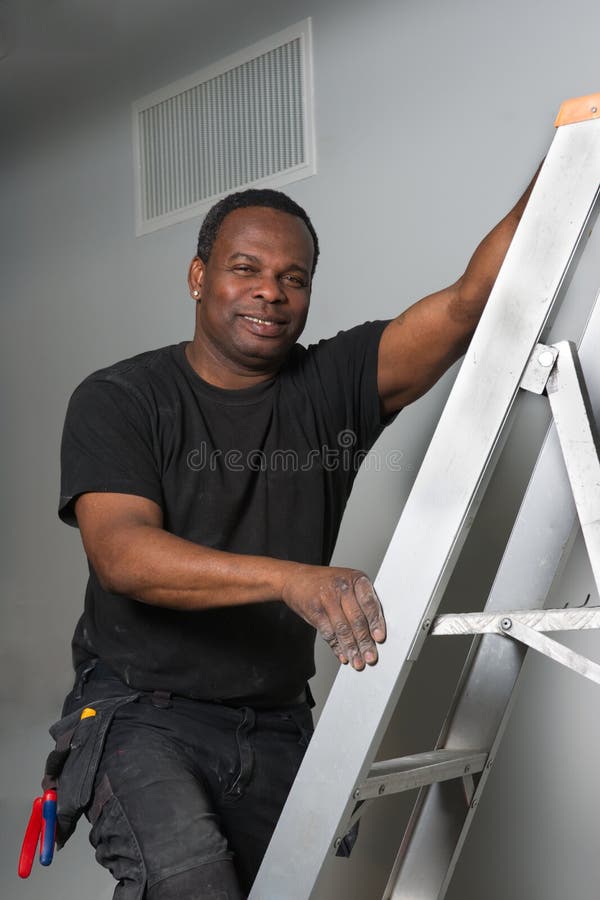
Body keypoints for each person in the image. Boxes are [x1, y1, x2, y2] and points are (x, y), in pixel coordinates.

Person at [51, 178, 536, 900]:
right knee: (190, 882)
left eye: (294, 278)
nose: (271, 293)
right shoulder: (122, 397)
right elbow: (122, 556)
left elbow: (471, 302)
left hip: (274, 720)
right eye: (245, 268)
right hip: (141, 711)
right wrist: (290, 578)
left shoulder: (330, 386)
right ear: (198, 276)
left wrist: (574, 153)